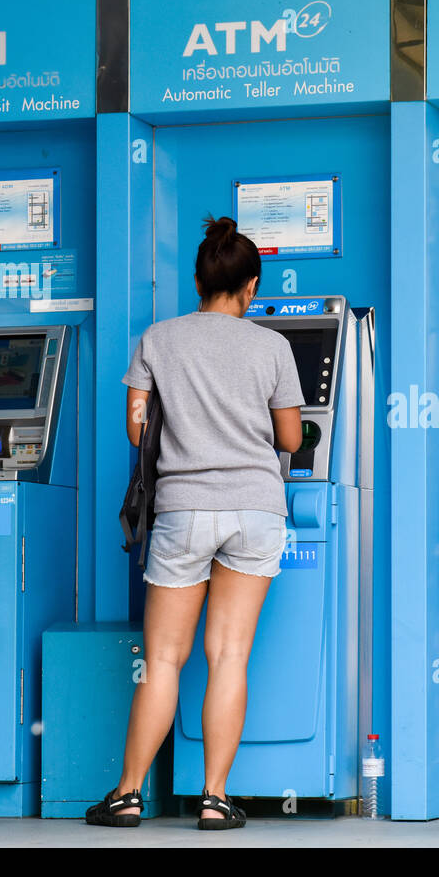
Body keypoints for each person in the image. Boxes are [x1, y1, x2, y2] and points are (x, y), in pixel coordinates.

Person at [86, 216, 304, 830]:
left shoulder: (159, 340)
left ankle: (127, 795)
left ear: (198, 281)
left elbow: (138, 428)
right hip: (255, 509)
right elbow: (290, 436)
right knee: (229, 655)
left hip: (184, 511)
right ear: (251, 286)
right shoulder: (274, 348)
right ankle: (215, 798)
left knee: (163, 660)